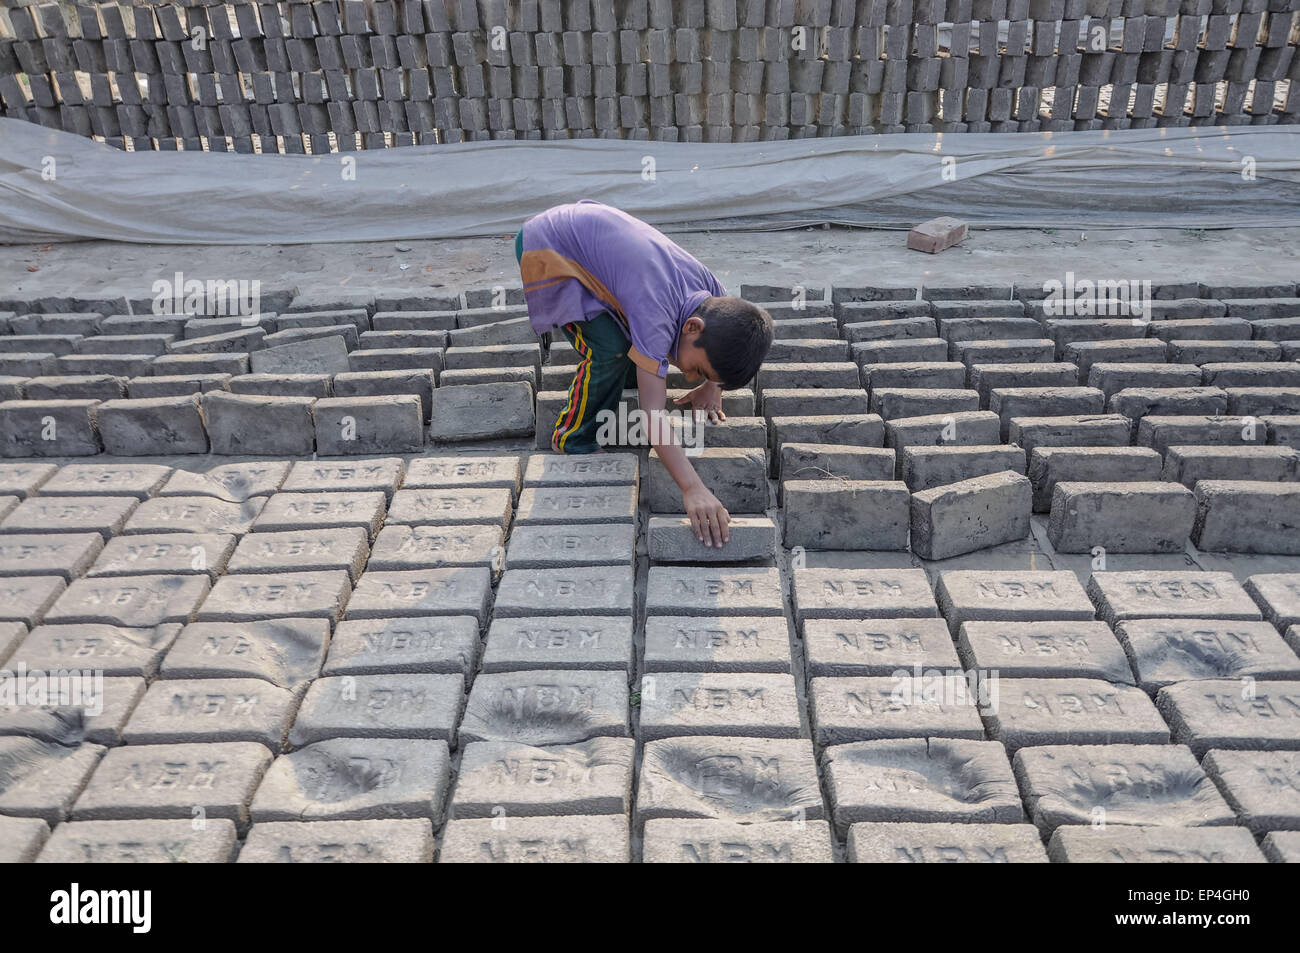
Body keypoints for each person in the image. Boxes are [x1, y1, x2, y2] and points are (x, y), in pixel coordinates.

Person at [516, 200, 772, 547]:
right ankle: (572, 437)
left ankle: (622, 376)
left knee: (636, 356)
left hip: (595, 237)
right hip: (550, 247)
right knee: (610, 350)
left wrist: (713, 387)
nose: (691, 377)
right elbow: (651, 413)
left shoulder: (716, 298)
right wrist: (692, 487)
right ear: (692, 327)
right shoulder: (656, 315)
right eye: (697, 369)